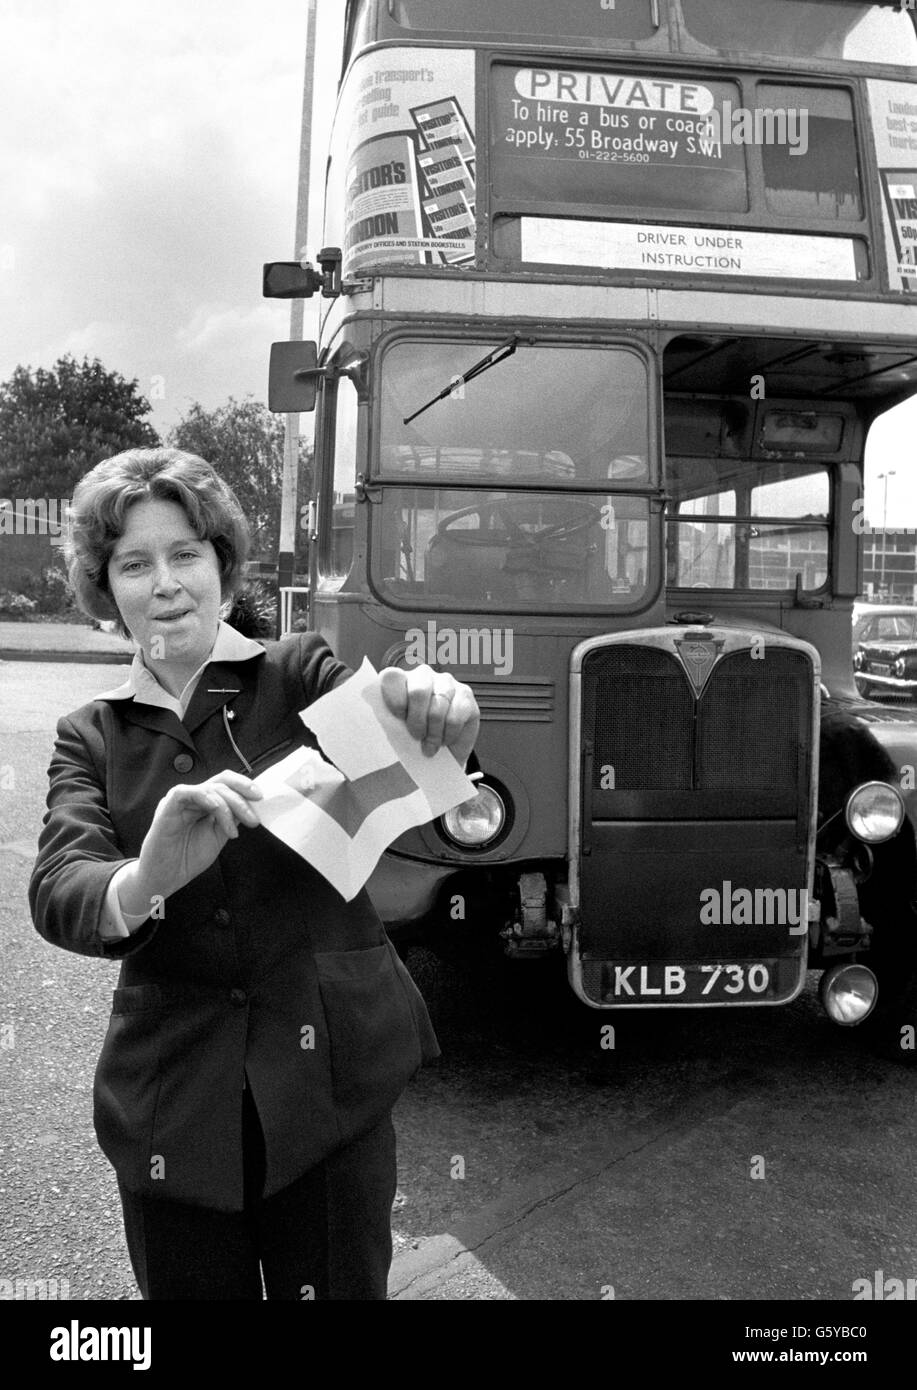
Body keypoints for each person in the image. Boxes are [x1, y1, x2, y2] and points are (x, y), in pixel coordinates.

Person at [28, 447, 480, 1301]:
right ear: (106, 590)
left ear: (223, 569)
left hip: (331, 1089)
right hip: (175, 1110)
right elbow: (60, 886)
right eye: (134, 563)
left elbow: (416, 767)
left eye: (185, 554)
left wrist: (445, 721)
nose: (165, 583)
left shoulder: (297, 672)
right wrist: (145, 876)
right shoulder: (90, 735)